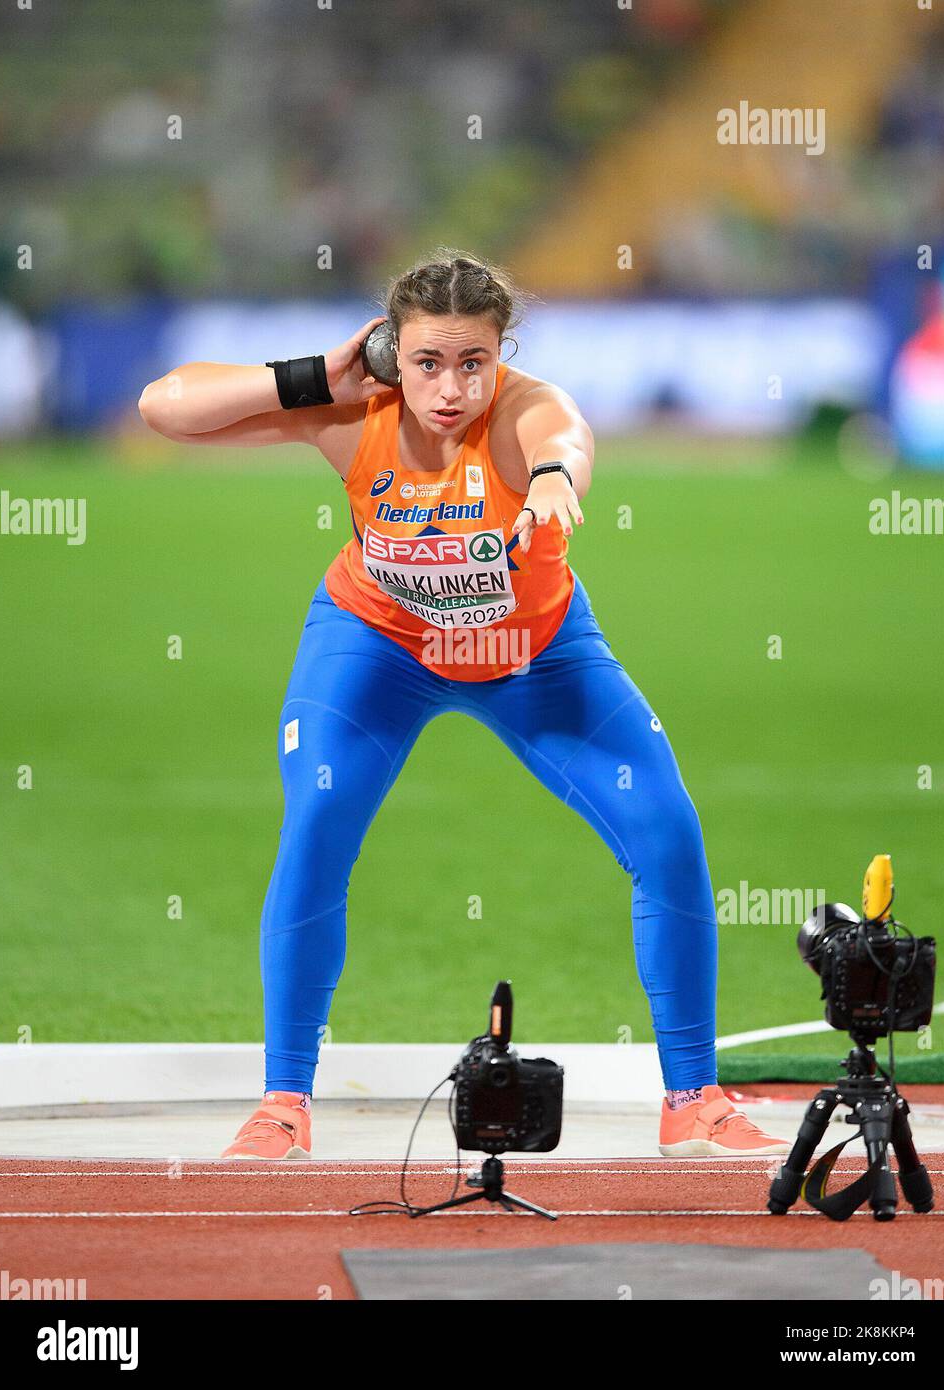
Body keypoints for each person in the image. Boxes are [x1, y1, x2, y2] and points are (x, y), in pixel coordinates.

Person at [138, 250, 789, 1160]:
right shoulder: (350, 414)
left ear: (502, 354)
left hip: (537, 657)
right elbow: (163, 410)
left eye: (473, 363)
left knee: (668, 831)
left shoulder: (529, 411)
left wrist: (556, 487)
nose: (450, 389)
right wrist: (315, 375)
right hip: (378, 648)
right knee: (318, 816)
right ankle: (284, 1098)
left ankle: (694, 1097)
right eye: (427, 363)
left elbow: (566, 448)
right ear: (387, 355)